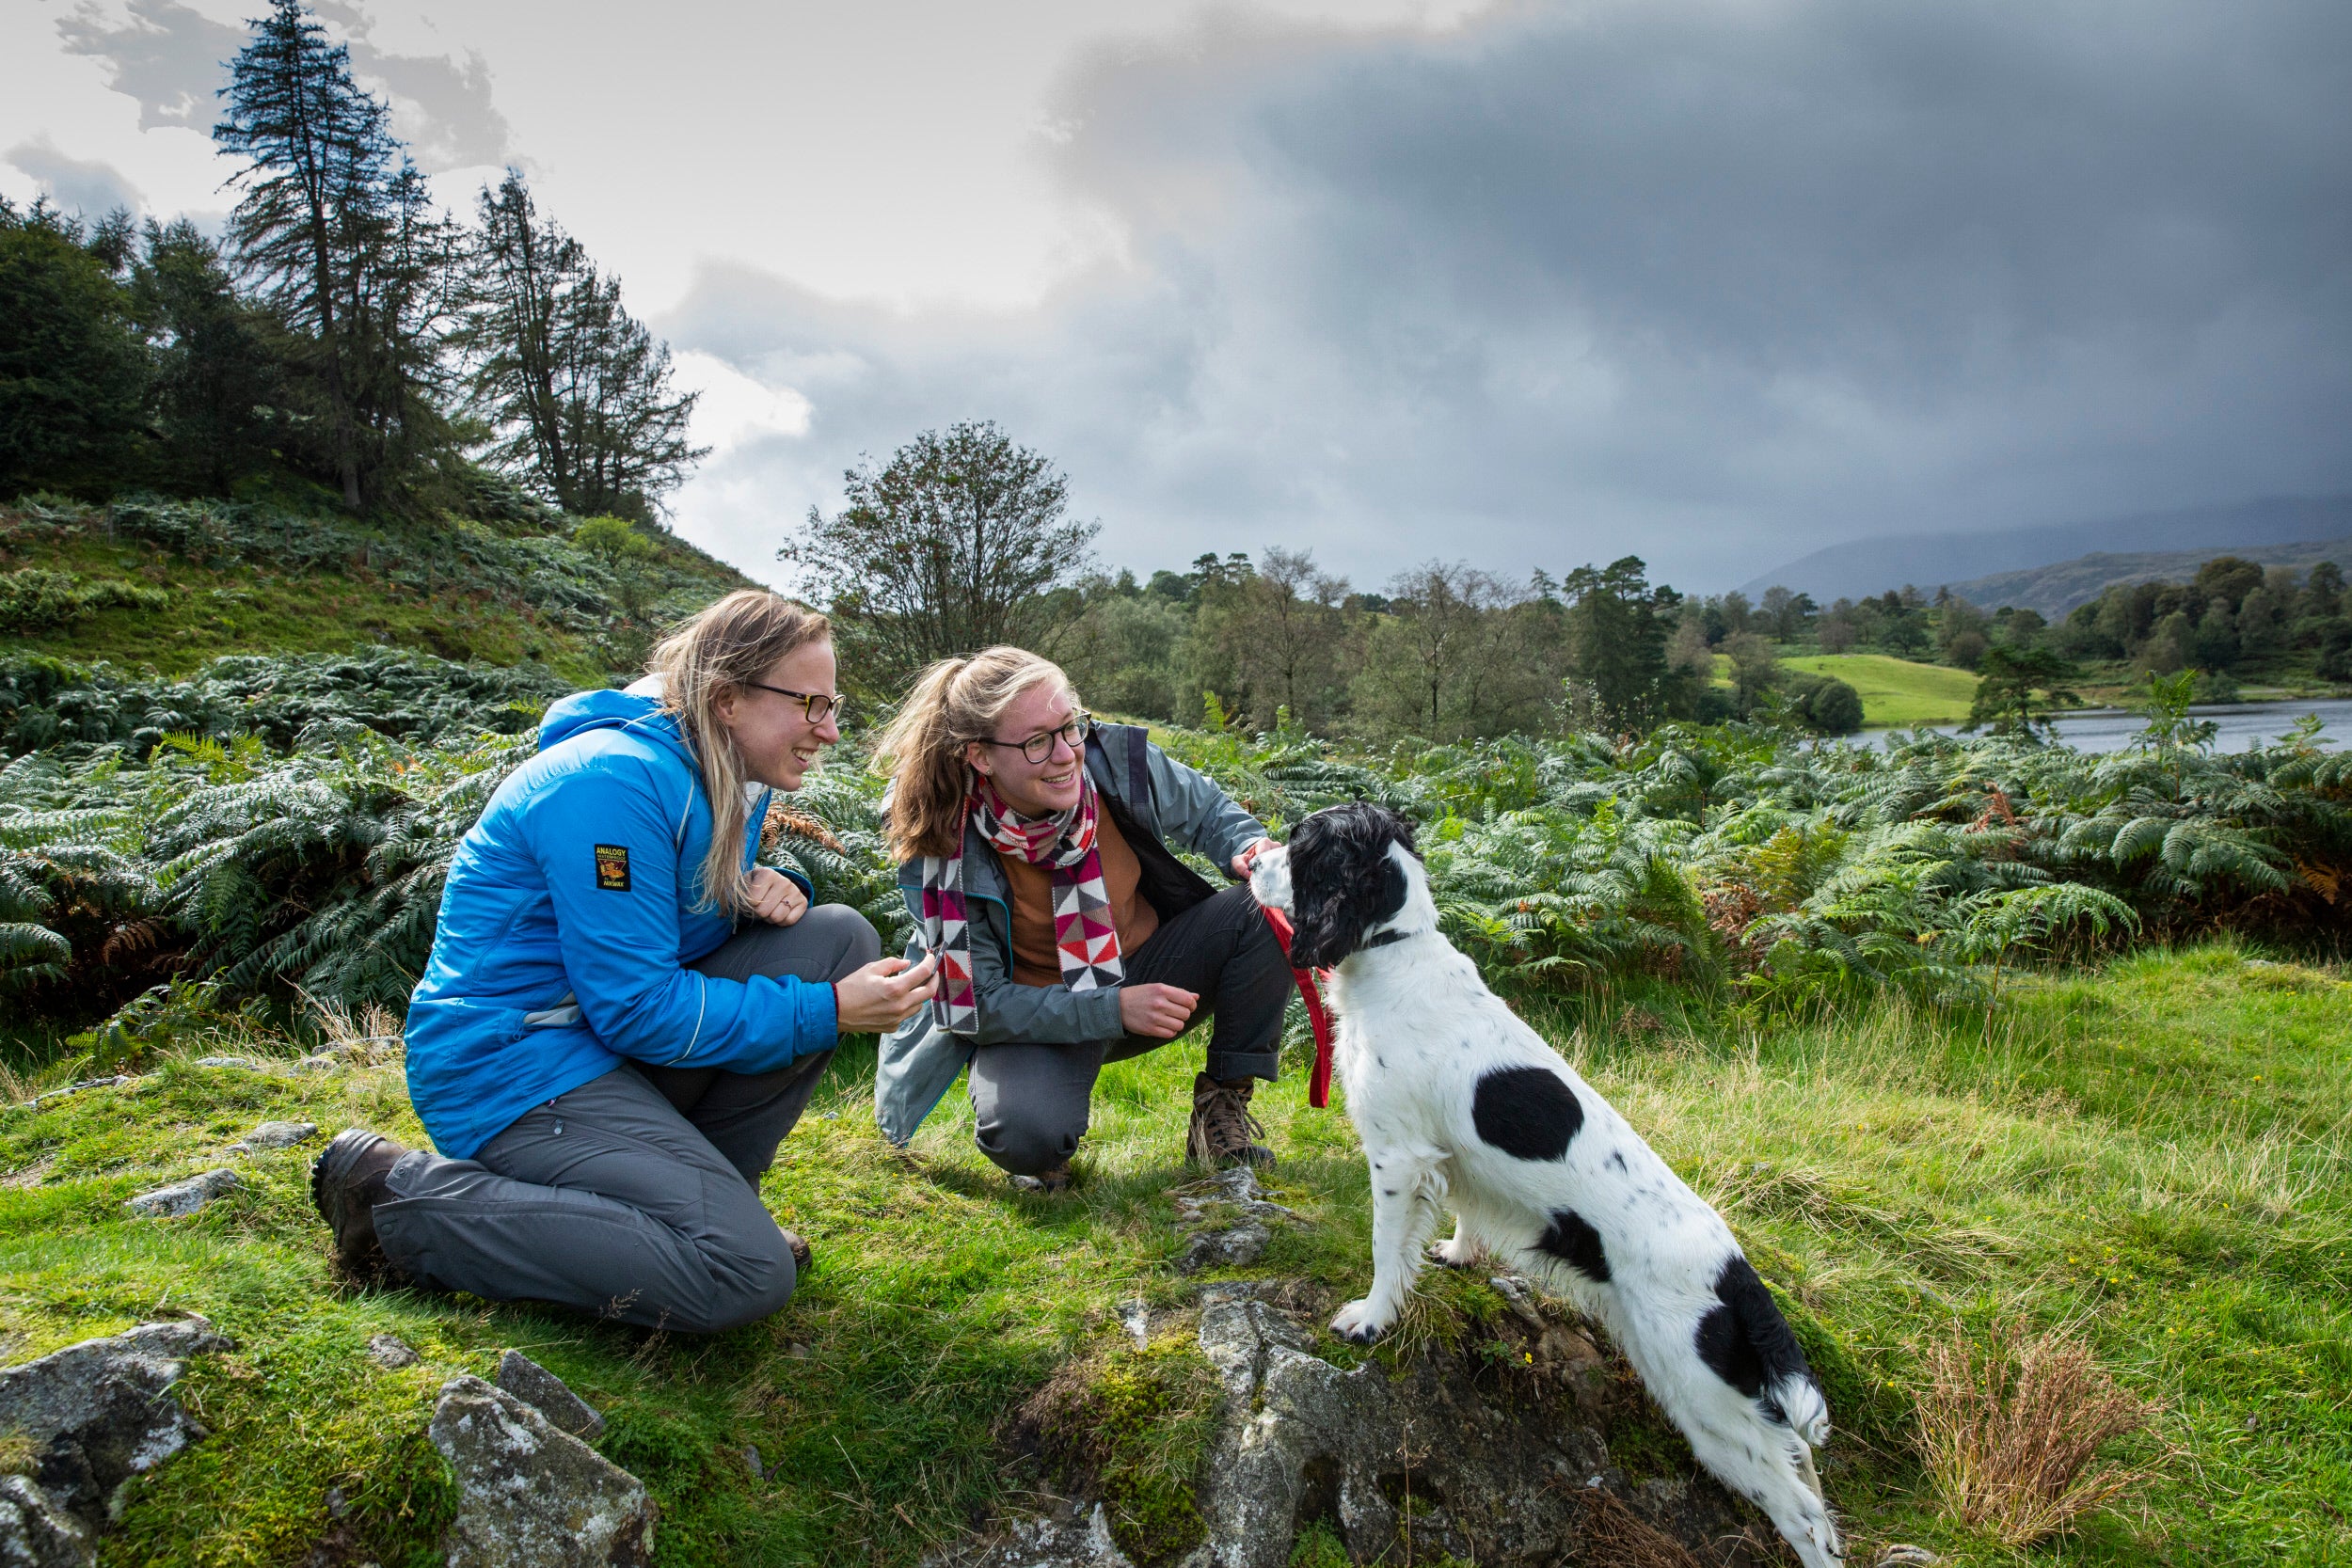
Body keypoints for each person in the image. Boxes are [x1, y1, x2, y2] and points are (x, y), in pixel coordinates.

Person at [309, 591, 938, 1333]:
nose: (828, 730)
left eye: (833, 706)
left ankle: (706, 1200)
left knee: (836, 941)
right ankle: (395, 1200)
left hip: (594, 1049)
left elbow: (648, 927)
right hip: (510, 1071)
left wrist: (748, 893)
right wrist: (827, 1011)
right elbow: (637, 1007)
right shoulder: (610, 783)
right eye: (810, 704)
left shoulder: (723, 771)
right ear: (727, 698)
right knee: (745, 1273)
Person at [871, 646, 1289, 1190]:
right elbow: (979, 1003)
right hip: (1031, 1014)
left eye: (1069, 728)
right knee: (1024, 1136)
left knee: (1270, 901)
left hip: (1149, 969)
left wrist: (1249, 846)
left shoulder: (1114, 760)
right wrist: (1112, 1008)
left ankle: (1222, 1107)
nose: (1067, 754)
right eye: (1036, 742)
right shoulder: (941, 839)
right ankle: (1047, 1127)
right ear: (980, 756)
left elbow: (1208, 810)